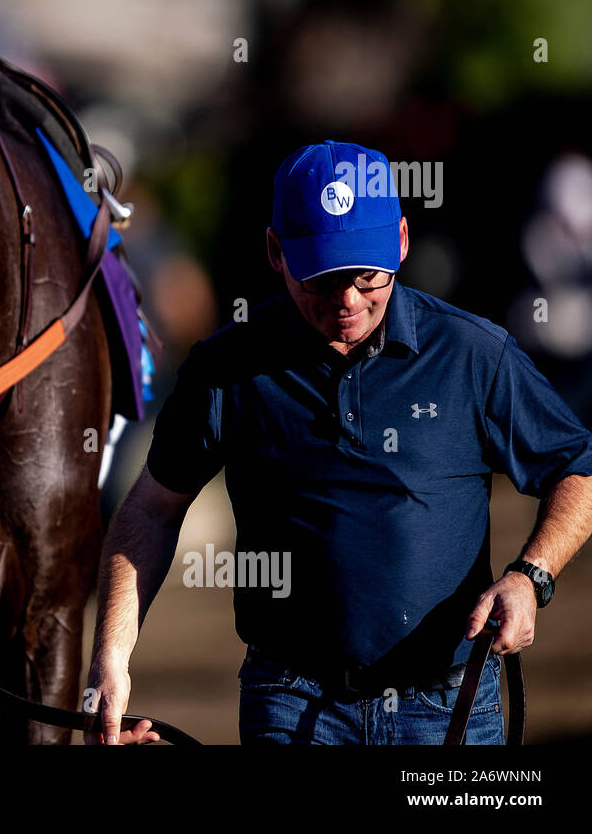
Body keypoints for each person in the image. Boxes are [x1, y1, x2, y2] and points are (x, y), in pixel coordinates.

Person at [85, 141, 592, 745]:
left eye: (366, 274)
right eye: (322, 278)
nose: (348, 300)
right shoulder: (227, 368)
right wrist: (109, 661)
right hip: (293, 703)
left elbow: (577, 469)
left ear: (402, 242)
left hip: (449, 701)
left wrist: (531, 577)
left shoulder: (473, 355)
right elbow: (150, 508)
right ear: (276, 253)